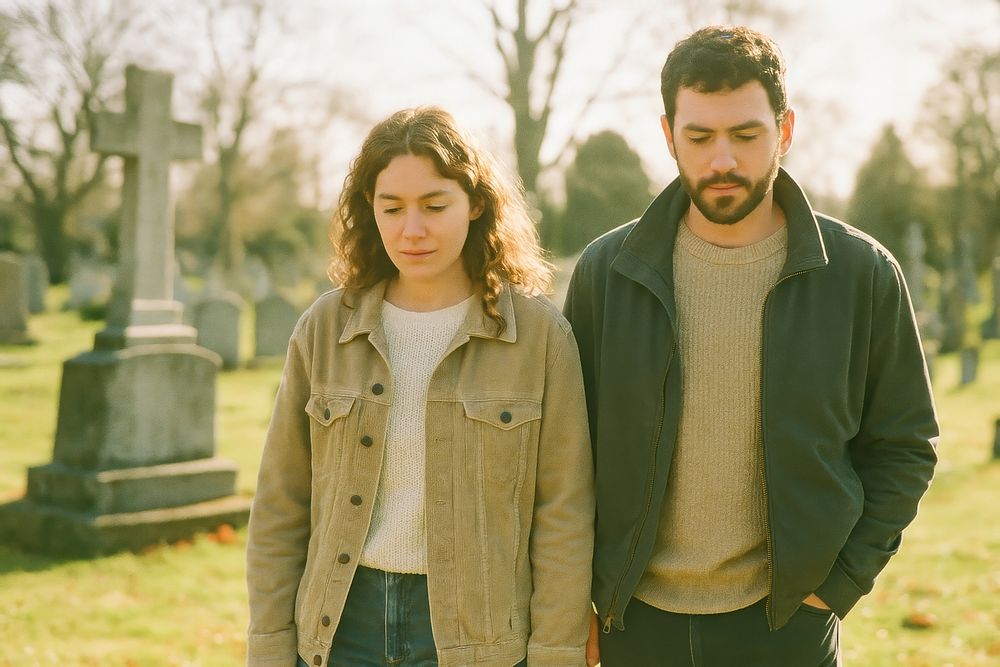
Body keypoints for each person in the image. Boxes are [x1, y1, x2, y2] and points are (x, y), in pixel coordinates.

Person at [564, 26, 939, 666]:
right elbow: (564, 458)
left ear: (785, 131)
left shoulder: (860, 274)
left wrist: (837, 585)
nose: (723, 161)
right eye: (700, 137)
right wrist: (577, 598)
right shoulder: (607, 273)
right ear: (667, 134)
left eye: (746, 135)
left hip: (788, 623)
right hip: (635, 623)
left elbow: (904, 446)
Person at [246, 106, 595, 667]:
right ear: (370, 211)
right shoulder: (324, 328)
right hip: (341, 628)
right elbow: (280, 505)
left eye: (435, 206)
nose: (413, 229)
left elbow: (565, 513)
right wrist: (268, 648)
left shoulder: (539, 337)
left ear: (476, 204)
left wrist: (556, 651)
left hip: (477, 637)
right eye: (392, 208)